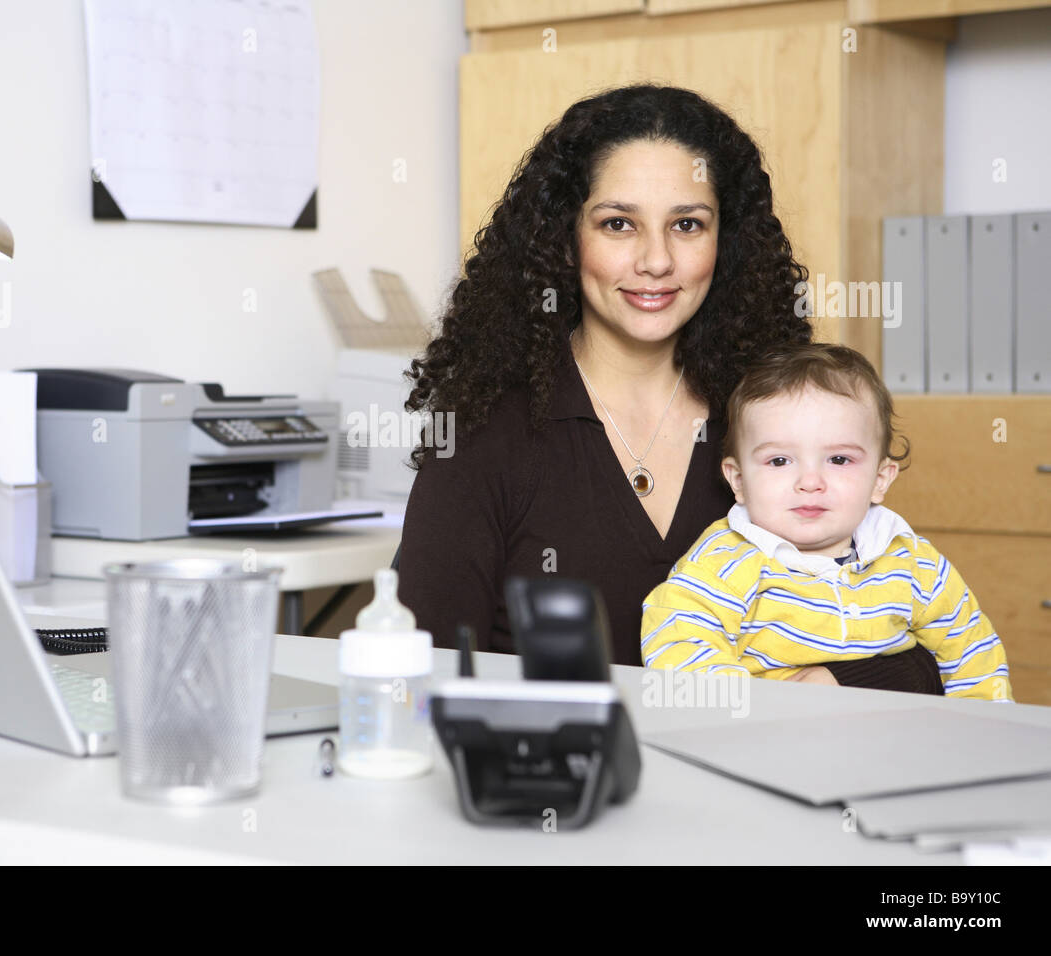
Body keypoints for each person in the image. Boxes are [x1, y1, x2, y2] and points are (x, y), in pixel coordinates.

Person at [396, 83, 943, 694]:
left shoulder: (776, 419)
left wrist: (821, 681)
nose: (655, 260)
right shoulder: (486, 438)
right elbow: (416, 674)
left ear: (724, 241)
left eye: (686, 224)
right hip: (560, 783)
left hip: (762, 776)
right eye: (618, 224)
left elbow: (924, 649)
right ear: (566, 238)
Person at [640, 344, 1013, 700]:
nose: (810, 482)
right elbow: (676, 639)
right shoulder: (726, 559)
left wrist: (983, 731)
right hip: (769, 742)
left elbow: (972, 653)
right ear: (738, 481)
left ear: (880, 479)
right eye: (779, 461)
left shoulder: (914, 562)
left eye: (838, 460)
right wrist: (756, 708)